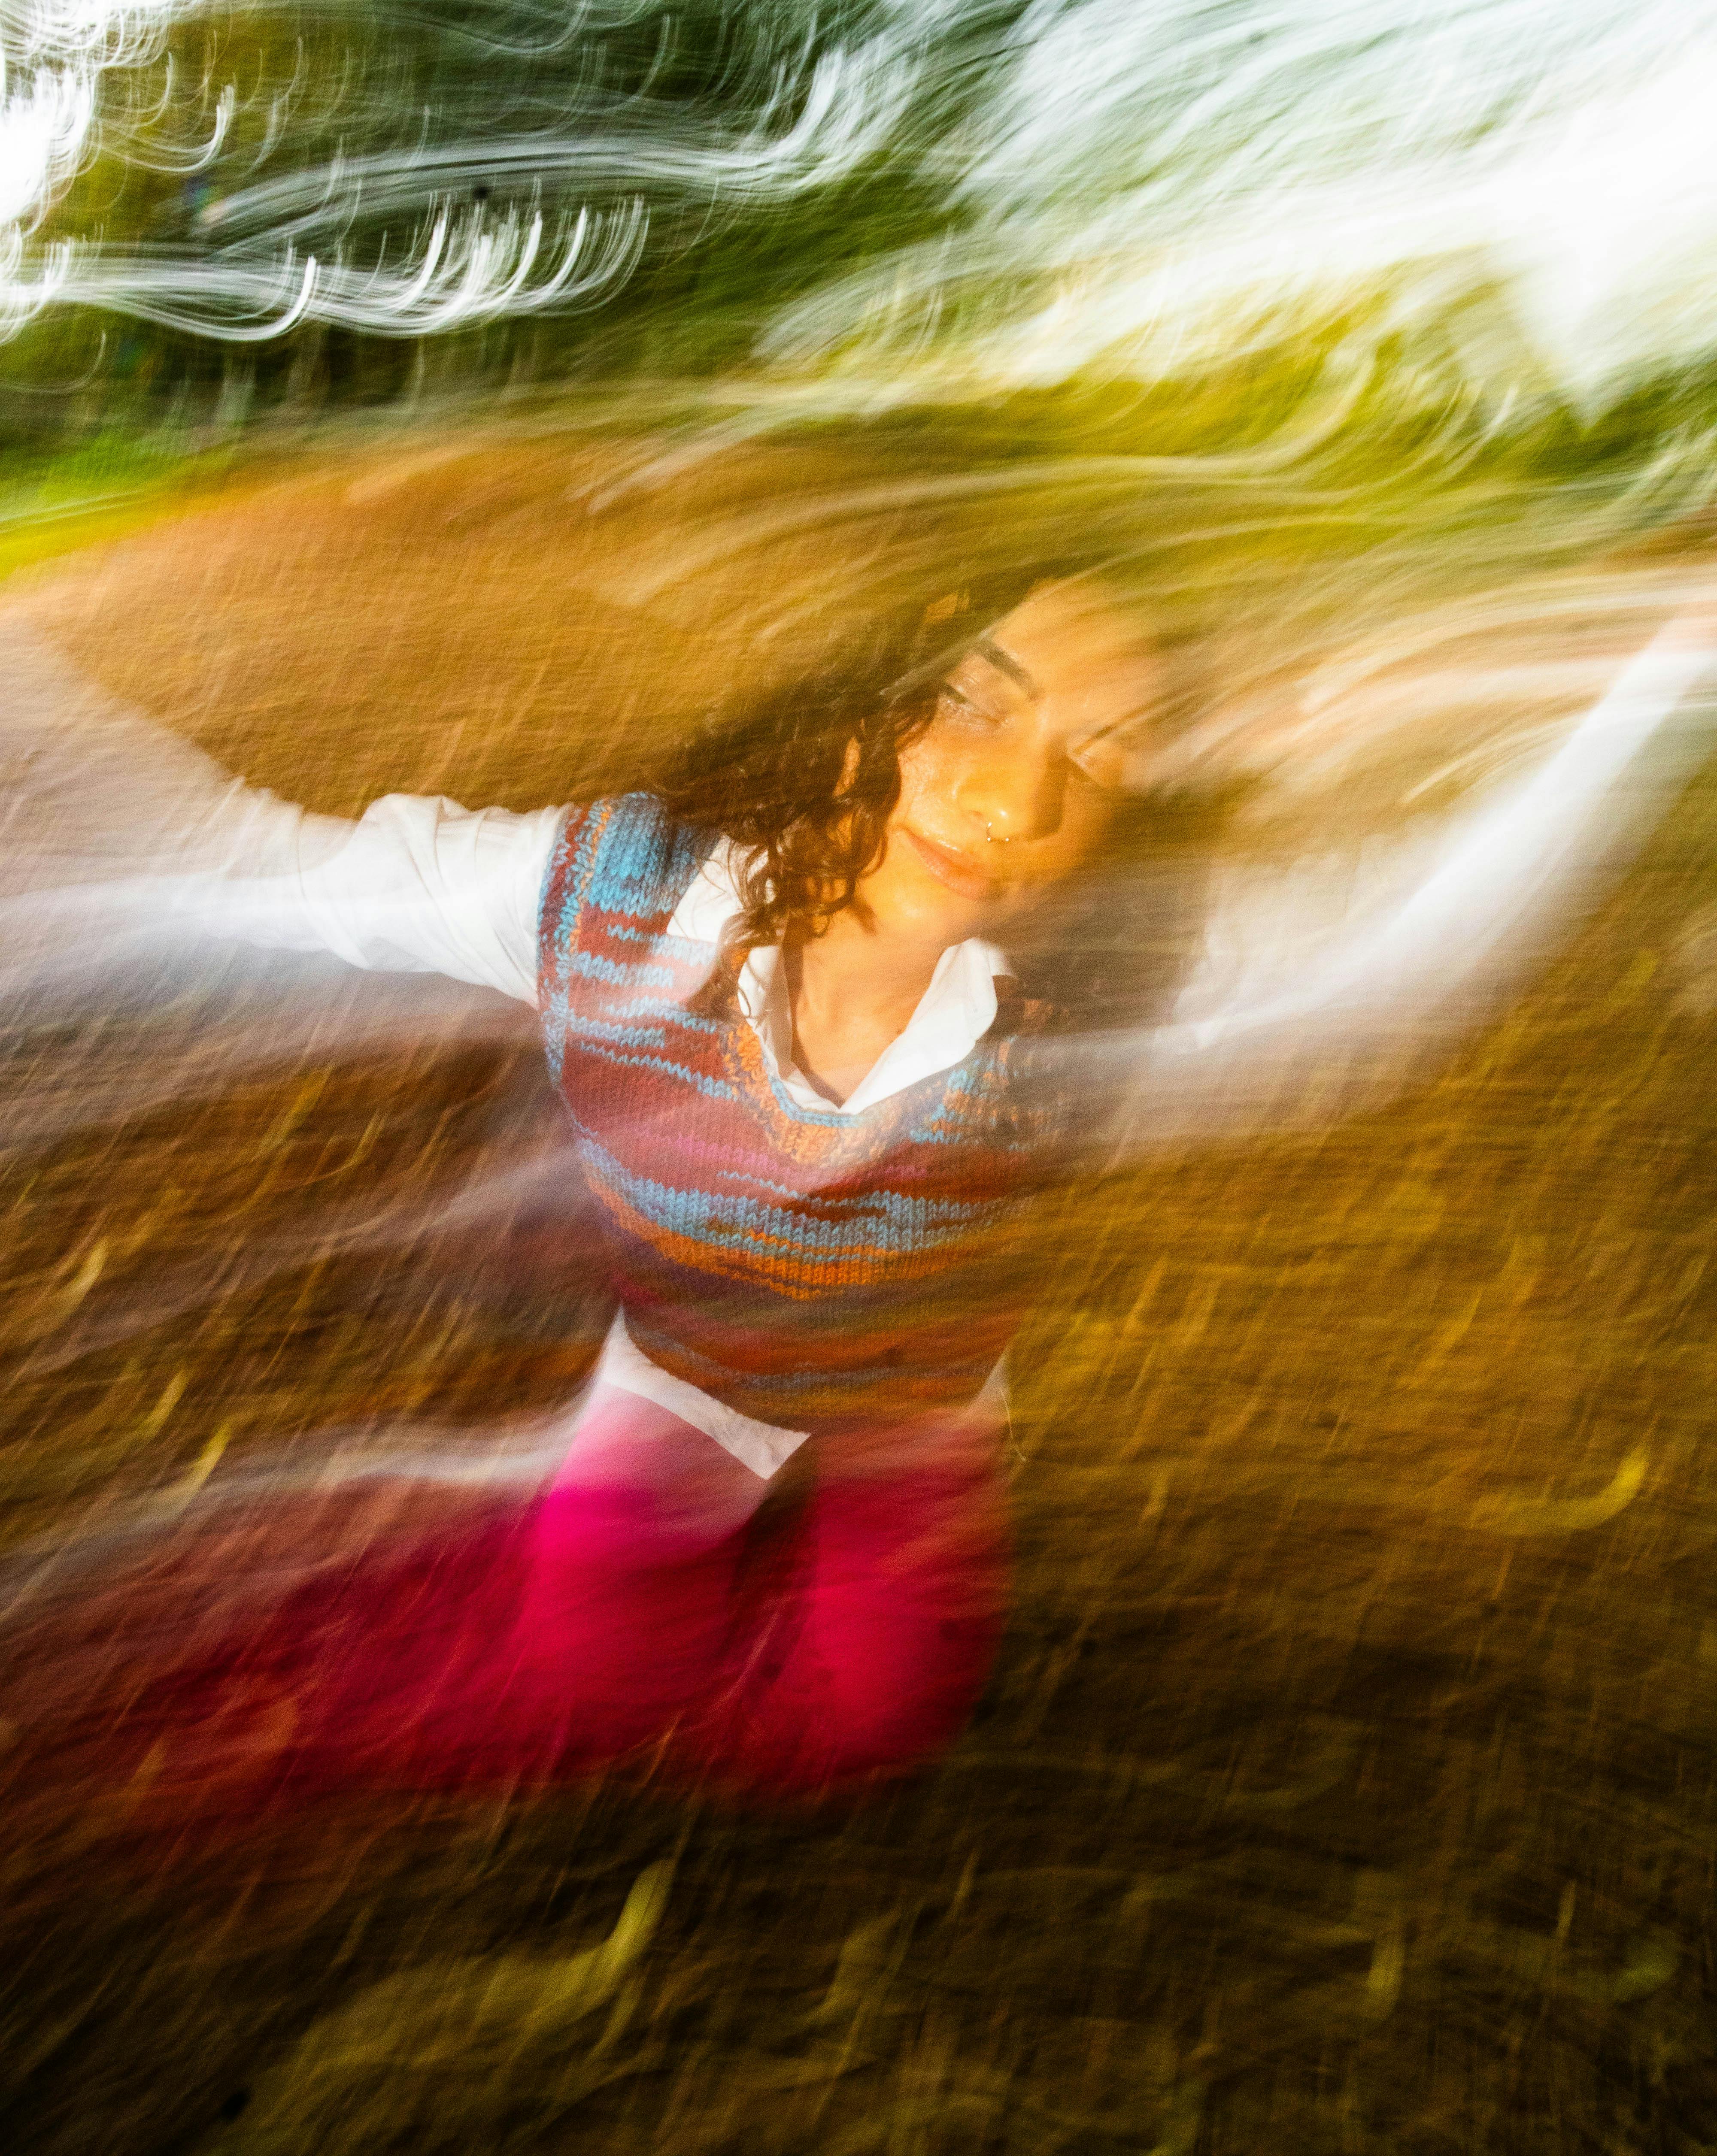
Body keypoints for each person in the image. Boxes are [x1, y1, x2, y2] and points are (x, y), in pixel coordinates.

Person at [6, 569, 1714, 1807]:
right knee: (598, 1679)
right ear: (878, 701)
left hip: (911, 1402)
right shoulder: (601, 901)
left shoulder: (1105, 988)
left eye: (1099, 757)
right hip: (681, 1370)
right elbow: (255, 871)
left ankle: (799, 1608)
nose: (1012, 790)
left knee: (867, 1729)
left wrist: (1662, 664)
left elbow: (1416, 937)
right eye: (975, 698)